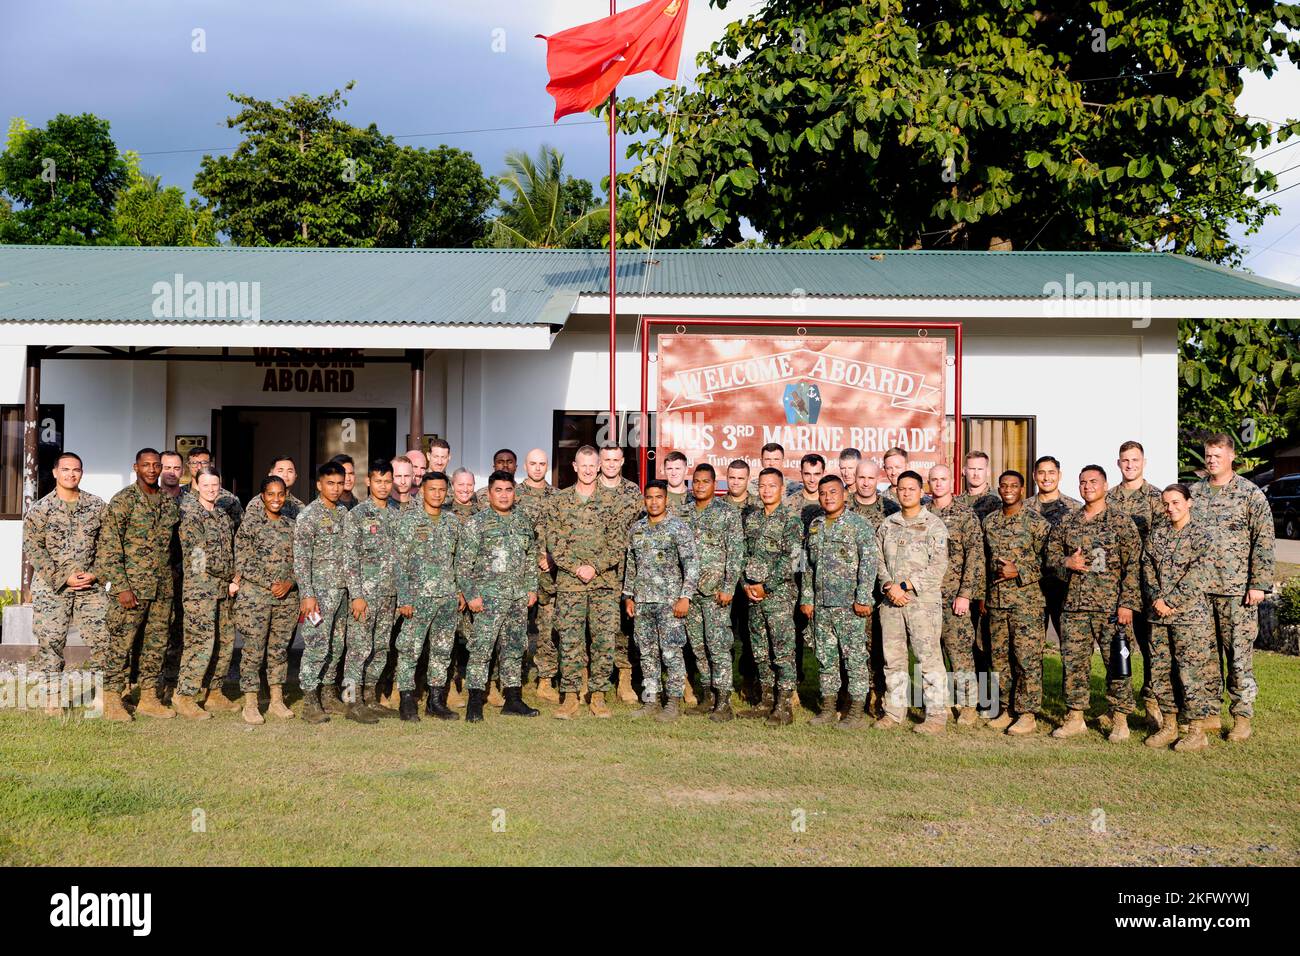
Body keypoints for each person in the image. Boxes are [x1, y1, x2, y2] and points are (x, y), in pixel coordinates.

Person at [1046, 465, 1142, 742]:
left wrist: (1127, 604)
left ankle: (1120, 718)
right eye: (1083, 482)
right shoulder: (1068, 521)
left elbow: (1134, 566)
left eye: (1093, 481)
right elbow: (1050, 557)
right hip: (1074, 607)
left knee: (1117, 664)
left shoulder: (1121, 522)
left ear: (1104, 485)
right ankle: (1075, 717)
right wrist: (1067, 562)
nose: (1087, 486)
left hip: (1111, 608)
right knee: (1074, 663)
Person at [1190, 432, 1274, 742]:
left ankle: (1241, 716)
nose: (1212, 460)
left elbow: (1263, 541)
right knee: (1206, 656)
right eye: (1208, 455)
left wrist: (1259, 583)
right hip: (1200, 591)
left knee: (1239, 656)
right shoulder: (1195, 494)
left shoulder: (1250, 494)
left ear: (1231, 457)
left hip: (1237, 591)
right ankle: (1211, 713)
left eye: (1217, 455)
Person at [23, 452, 116, 718]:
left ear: (82, 473)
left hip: (90, 587)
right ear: (55, 473)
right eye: (65, 469)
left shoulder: (97, 506)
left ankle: (103, 697)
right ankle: (53, 699)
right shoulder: (41, 509)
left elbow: (108, 545)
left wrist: (97, 573)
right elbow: (33, 547)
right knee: (51, 642)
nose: (70, 474)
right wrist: (63, 577)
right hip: (53, 588)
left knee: (104, 640)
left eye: (76, 470)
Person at [99, 448, 180, 719]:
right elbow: (110, 547)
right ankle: (111, 699)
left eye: (156, 465)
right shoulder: (123, 501)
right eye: (146, 465)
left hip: (162, 589)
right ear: (136, 468)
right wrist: (121, 586)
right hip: (131, 589)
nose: (152, 469)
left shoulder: (169, 503)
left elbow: (174, 547)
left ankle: (148, 697)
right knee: (121, 644)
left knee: (156, 645)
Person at [543, 446, 624, 718]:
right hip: (570, 583)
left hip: (602, 583)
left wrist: (595, 567)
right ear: (575, 467)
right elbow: (554, 541)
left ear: (599, 466)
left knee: (603, 639)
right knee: (570, 639)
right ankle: (569, 695)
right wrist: (578, 568)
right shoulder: (559, 501)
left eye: (593, 465)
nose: (588, 470)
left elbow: (617, 542)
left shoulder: (612, 502)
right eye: (583, 465)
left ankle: (598, 694)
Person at [457, 471, 540, 722]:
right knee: (482, 649)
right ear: (489, 493)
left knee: (515, 648)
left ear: (515, 493)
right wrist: (471, 595)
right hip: (487, 599)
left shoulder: (523, 521)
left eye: (508, 490)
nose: (504, 495)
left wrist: (531, 588)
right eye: (498, 490)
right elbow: (463, 563)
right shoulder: (477, 523)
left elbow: (531, 557)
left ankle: (512, 699)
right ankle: (475, 700)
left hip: (516, 598)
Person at [1141, 484, 1218, 750]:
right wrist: (1156, 599)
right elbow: (1146, 567)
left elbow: (1199, 575)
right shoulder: (1157, 535)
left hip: (1188, 617)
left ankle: (1196, 730)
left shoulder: (1202, 536)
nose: (1170, 508)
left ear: (1189, 503)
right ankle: (1169, 725)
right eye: (1166, 503)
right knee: (1161, 672)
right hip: (1158, 616)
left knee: (1189, 673)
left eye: (1176, 502)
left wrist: (1171, 601)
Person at [799, 475, 879, 728]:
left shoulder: (859, 525)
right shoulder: (815, 525)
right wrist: (807, 597)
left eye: (833, 492)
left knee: (855, 659)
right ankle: (828, 708)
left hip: (850, 606)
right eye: (823, 493)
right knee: (825, 659)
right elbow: (806, 565)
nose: (828, 497)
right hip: (821, 606)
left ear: (844, 494)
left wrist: (863, 597)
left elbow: (869, 563)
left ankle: (855, 712)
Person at [875, 471, 950, 734]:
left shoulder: (934, 525)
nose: (905, 493)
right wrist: (888, 586)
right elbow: (878, 561)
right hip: (891, 603)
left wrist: (904, 586)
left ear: (921, 491)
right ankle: (894, 712)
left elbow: (938, 566)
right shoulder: (887, 525)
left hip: (922, 604)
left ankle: (937, 715)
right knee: (893, 659)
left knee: (928, 659)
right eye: (901, 489)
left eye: (911, 489)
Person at [981, 470, 1051, 734]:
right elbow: (984, 561)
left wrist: (1019, 570)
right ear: (998, 489)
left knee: (1026, 659)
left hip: (1027, 603)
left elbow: (1050, 562)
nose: (1008, 489)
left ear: (1022, 489)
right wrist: (983, 596)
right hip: (997, 602)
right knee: (999, 659)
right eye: (1003, 485)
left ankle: (1027, 713)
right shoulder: (989, 522)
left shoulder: (1037, 523)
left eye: (1014, 485)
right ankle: (1006, 708)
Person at [623, 480, 699, 721]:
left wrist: (685, 596)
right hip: (643, 602)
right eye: (649, 497)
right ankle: (651, 700)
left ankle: (673, 702)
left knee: (671, 653)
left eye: (659, 497)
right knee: (646, 653)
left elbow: (691, 564)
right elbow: (631, 565)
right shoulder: (637, 529)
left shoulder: (678, 528)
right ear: (644, 500)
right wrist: (628, 596)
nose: (654, 502)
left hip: (670, 603)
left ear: (666, 499)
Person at [1105, 440, 1169, 726]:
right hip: (1116, 587)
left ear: (1143, 462)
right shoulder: (1107, 498)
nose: (1130, 465)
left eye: (1135, 460)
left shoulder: (1157, 498)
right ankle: (1119, 706)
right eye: (1125, 460)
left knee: (1153, 647)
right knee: (1120, 647)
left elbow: (1163, 544)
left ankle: (1152, 701)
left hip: (1149, 585)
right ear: (1118, 463)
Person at [394, 471, 464, 721]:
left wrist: (460, 591)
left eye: (441, 490)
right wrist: (404, 598)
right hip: (417, 599)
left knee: (442, 651)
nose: (437, 494)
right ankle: (406, 700)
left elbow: (459, 562)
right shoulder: (409, 521)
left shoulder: (452, 522)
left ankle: (436, 701)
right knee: (410, 650)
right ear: (422, 490)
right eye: (432, 489)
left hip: (446, 598)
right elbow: (399, 563)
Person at [172, 466, 240, 720]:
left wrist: (235, 576)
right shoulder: (191, 516)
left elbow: (232, 550)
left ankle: (215, 692)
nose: (212, 489)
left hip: (224, 590)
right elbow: (199, 558)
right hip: (200, 591)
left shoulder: (223, 516)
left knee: (225, 642)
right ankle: (184, 695)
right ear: (197, 486)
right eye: (207, 485)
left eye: (215, 485)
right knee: (200, 644)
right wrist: (232, 574)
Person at [678, 463, 744, 720]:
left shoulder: (727, 513)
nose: (700, 485)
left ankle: (724, 701)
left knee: (718, 646)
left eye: (705, 481)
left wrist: (728, 587)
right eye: (696, 481)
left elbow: (735, 552)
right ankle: (708, 695)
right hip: (690, 594)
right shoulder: (683, 515)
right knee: (698, 646)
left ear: (715, 485)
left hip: (716, 593)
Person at [740, 468, 803, 724]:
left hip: (779, 596)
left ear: (782, 489)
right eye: (763, 486)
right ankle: (766, 701)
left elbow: (793, 560)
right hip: (753, 596)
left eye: (772, 486)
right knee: (760, 650)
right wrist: (746, 584)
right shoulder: (752, 519)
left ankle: (784, 705)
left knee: (783, 651)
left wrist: (767, 586)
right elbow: (742, 553)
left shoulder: (791, 520)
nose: (766, 491)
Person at [234, 475, 298, 725]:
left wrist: (290, 582)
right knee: (253, 651)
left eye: (280, 494)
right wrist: (269, 582)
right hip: (256, 599)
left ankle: (276, 700)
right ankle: (250, 703)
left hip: (286, 600)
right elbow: (242, 561)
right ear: (262, 496)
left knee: (279, 650)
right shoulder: (250, 525)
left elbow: (301, 561)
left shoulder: (292, 526)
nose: (276, 499)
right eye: (270, 494)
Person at [341, 459, 401, 724]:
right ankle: (351, 702)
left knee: (380, 649)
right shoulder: (357, 515)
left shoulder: (398, 514)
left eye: (388, 481)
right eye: (378, 481)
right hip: (364, 597)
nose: (383, 486)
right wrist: (357, 595)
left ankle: (370, 697)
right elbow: (350, 558)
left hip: (389, 596)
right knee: (357, 650)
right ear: (369, 482)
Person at [926, 465, 985, 725]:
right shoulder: (923, 513)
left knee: (960, 653)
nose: (938, 484)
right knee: (931, 654)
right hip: (926, 598)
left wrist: (965, 594)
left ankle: (969, 704)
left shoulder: (964, 515)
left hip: (953, 597)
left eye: (942, 479)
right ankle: (940, 703)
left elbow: (975, 556)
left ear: (951, 481)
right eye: (934, 480)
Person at [294, 461, 351, 724]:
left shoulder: (344, 512)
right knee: (316, 647)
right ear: (319, 485)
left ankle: (328, 695)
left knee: (337, 646)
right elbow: (301, 559)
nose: (336, 488)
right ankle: (310, 700)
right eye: (330, 483)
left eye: (340, 483)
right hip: (318, 595)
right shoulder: (309, 516)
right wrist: (307, 594)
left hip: (342, 592)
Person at [598, 445, 649, 704]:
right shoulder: (589, 488)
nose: (610, 464)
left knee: (626, 626)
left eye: (615, 459)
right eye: (606, 459)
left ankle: (625, 678)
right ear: (599, 461)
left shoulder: (632, 491)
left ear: (622, 462)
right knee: (597, 625)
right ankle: (593, 678)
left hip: (626, 569)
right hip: (597, 571)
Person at [1024, 455, 1082, 645]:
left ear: (1059, 475)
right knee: (1030, 646)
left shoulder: (1074, 509)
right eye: (1041, 473)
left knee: (1070, 646)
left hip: (1063, 586)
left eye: (1051, 472)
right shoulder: (1024, 508)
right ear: (1034, 476)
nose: (1046, 477)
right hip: (1032, 586)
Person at [516, 449, 559, 701]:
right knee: (516, 629)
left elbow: (564, 533)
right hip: (521, 574)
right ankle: (514, 677)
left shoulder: (557, 496)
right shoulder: (514, 495)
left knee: (547, 629)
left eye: (542, 463)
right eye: (533, 463)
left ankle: (545, 679)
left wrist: (552, 558)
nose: (537, 467)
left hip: (549, 574)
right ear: (525, 465)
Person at [445, 467, 481, 705]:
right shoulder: (445, 513)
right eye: (461, 485)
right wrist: (458, 590)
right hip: (451, 588)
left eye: (469, 485)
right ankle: (450, 686)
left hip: (477, 589)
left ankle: (479, 686)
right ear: (452, 486)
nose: (465, 489)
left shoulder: (482, 514)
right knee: (448, 641)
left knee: (479, 639)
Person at [182, 446, 244, 528]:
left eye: (204, 462)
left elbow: (240, 529)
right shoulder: (180, 495)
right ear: (188, 465)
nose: (199, 467)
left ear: (211, 464)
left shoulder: (228, 498)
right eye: (194, 463)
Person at [245, 457, 307, 521]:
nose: (285, 475)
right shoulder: (258, 502)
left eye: (290, 471)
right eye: (280, 470)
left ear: (295, 476)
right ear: (270, 475)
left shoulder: (299, 505)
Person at [849, 460, 899, 528]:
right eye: (862, 478)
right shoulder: (842, 506)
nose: (866, 483)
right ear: (855, 477)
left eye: (871, 478)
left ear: (878, 479)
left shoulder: (892, 509)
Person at [956, 451, 1002, 519]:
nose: (976, 473)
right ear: (964, 471)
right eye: (972, 469)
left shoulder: (997, 499)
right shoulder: (957, 501)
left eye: (980, 469)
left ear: (988, 471)